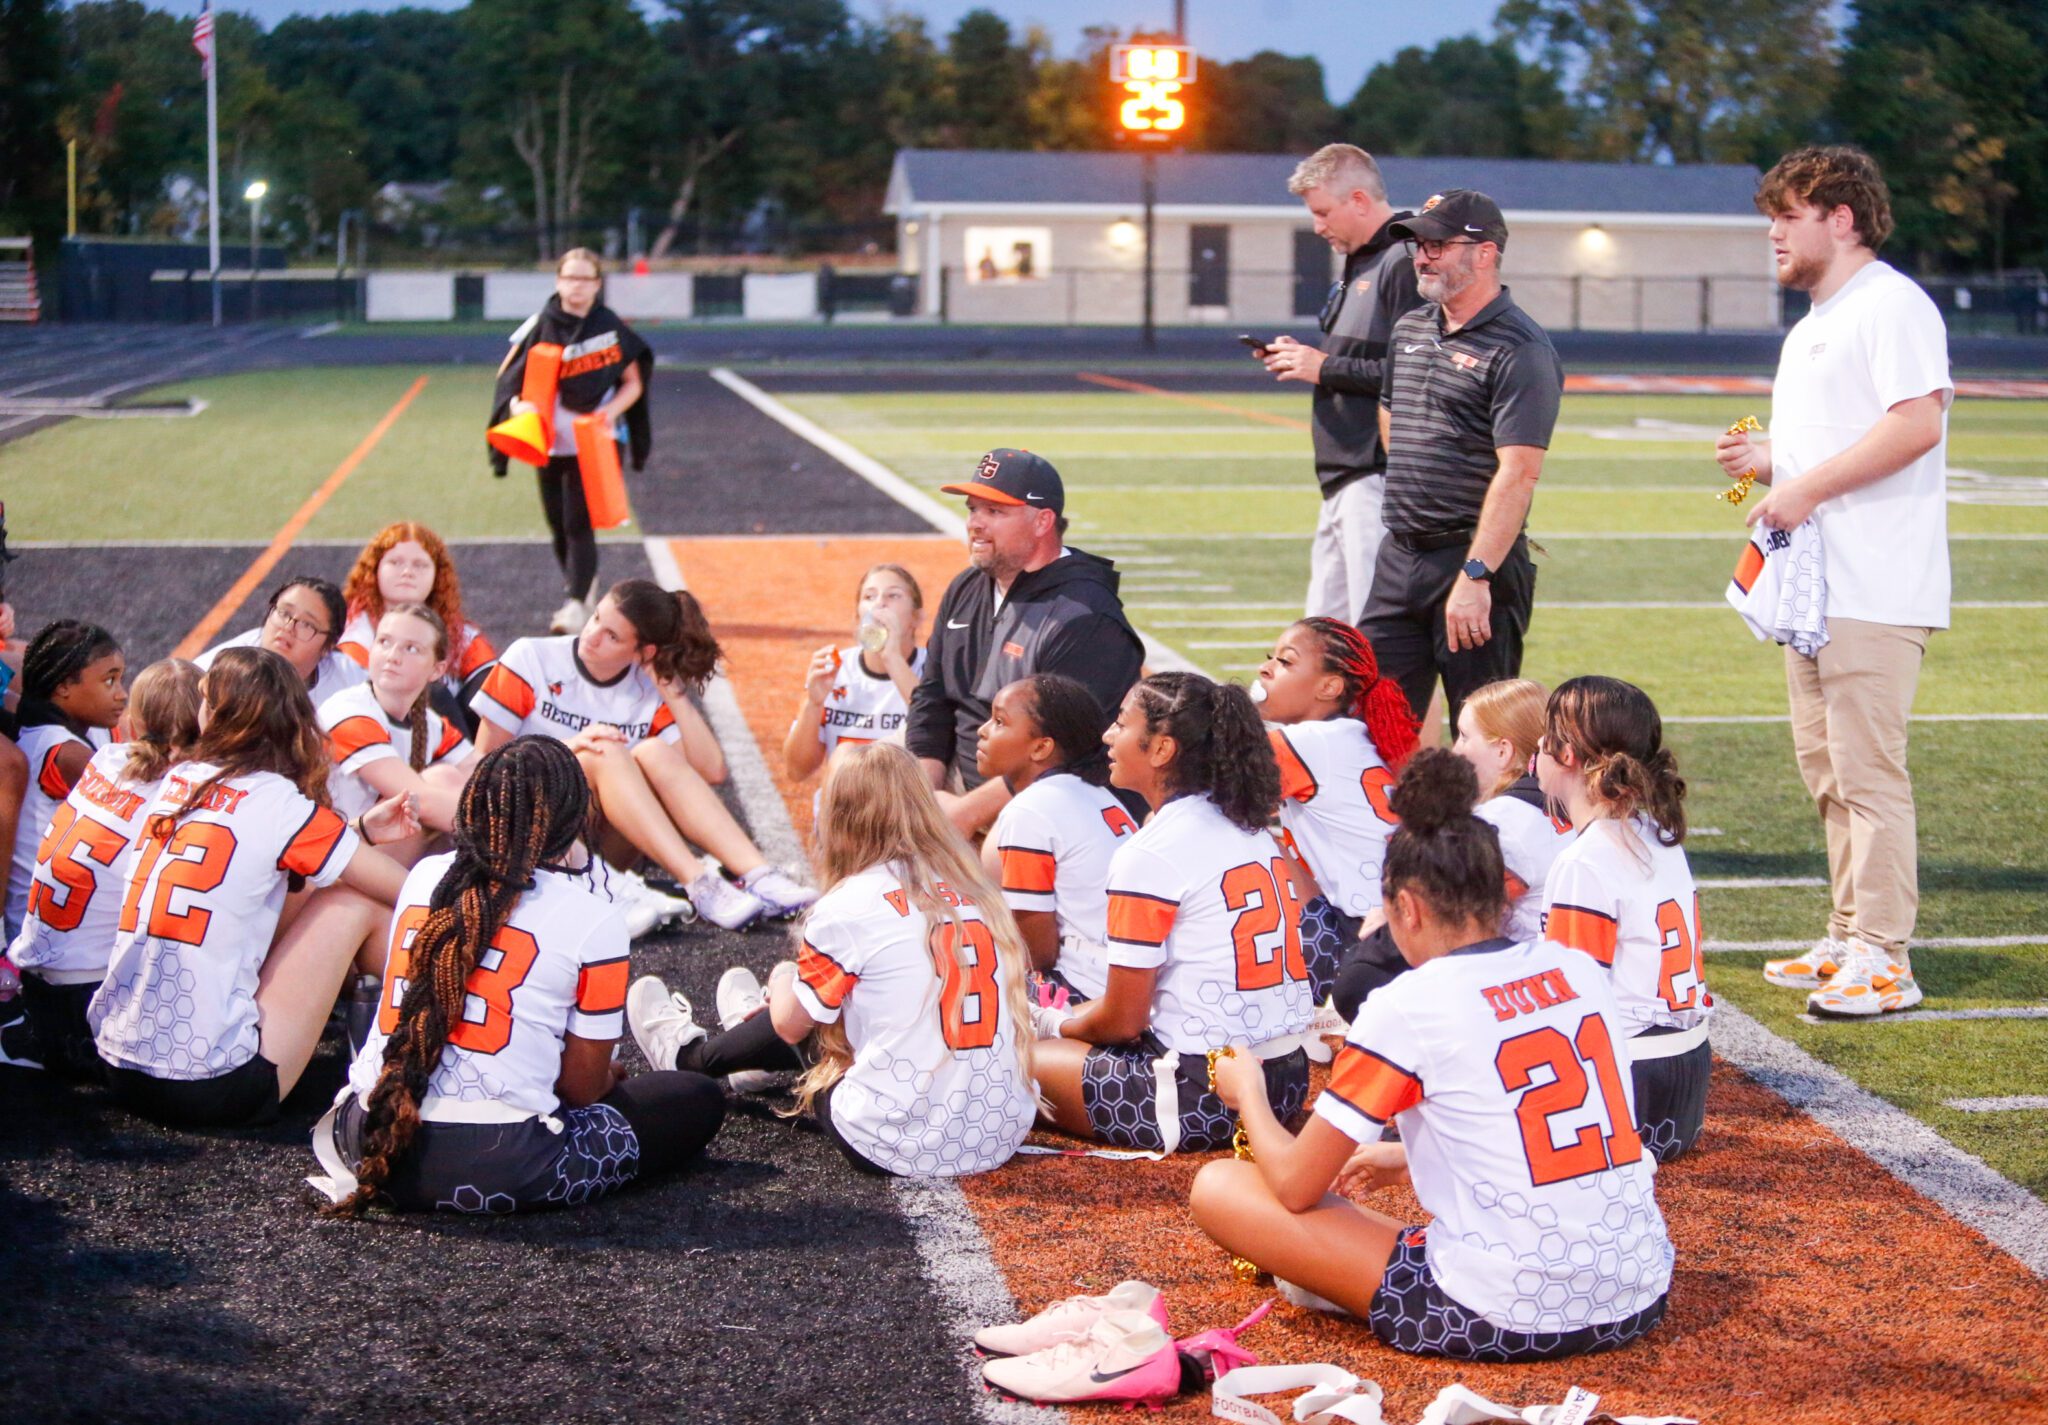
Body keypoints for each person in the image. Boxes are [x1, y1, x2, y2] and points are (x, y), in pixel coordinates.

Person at [1189, 747, 1672, 1360]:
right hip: (1638, 1288)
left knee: (1219, 1186)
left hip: (1501, 1316)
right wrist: (1405, 1158)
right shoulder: (1577, 968)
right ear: (1501, 894)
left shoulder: (1407, 1005)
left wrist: (1248, 1094)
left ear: (1406, 908)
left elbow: (1292, 1187)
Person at [1715, 146, 1951, 1017]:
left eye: (1789, 213)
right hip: (1817, 589)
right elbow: (1844, 435)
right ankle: (1850, 933)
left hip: (1873, 582)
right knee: (1828, 772)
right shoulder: (1820, 318)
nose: (1773, 231)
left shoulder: (1890, 304)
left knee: (1869, 774)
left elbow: (1917, 422)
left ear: (1840, 218)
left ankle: (1886, 958)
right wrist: (1772, 460)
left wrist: (1802, 487)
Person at [312, 736, 726, 1215]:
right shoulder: (594, 917)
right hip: (499, 1163)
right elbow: (580, 1090)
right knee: (693, 1097)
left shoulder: (425, 876)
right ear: (571, 821)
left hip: (369, 1135)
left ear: (472, 805)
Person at [625, 743, 1037, 1178]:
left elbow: (788, 1026)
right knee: (850, 998)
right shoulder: (974, 889)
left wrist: (785, 981)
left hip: (897, 1142)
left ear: (841, 816)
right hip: (1001, 1132)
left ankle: (693, 1058)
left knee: (804, 1005)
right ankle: (749, 1055)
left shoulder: (850, 904)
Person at [88, 648, 420, 1128]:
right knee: (352, 904)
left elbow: (261, 846)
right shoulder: (280, 803)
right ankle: (456, 1034)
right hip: (208, 1087)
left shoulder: (178, 779)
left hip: (118, 1064)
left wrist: (358, 831)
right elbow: (408, 892)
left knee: (299, 889)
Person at [1030, 673, 1314, 1154]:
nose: (1107, 736)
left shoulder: (1153, 851)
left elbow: (1124, 1021)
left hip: (1202, 1094)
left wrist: (1049, 1023)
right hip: (1286, 1079)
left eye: (1120, 724)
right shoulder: (1248, 829)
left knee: (1002, 1060)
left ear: (1161, 749)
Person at [471, 578, 815, 931]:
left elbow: (709, 770)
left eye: (613, 637)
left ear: (642, 653)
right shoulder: (531, 657)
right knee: (605, 750)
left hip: (606, 844)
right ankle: (698, 881)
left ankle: (758, 875)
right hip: (532, 833)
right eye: (596, 620)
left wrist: (668, 685)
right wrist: (570, 749)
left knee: (654, 752)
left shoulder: (645, 687)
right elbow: (483, 764)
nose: (592, 636)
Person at [1360, 190, 1563, 729]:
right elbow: (1390, 409)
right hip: (1399, 554)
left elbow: (1519, 471)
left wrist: (1477, 576)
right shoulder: (1410, 329)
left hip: (1472, 561)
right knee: (1373, 725)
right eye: (1418, 246)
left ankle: (1489, 819)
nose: (1422, 258)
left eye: (1437, 245)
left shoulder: (1521, 347)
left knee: (1483, 736)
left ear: (1484, 253)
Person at [907, 449, 1144, 837]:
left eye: (995, 512)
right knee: (857, 773)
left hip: (1049, 807)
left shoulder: (1084, 616)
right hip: (963, 779)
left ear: (1042, 522)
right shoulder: (966, 588)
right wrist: (925, 791)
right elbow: (932, 697)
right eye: (973, 510)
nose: (975, 525)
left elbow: (1068, 756)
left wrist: (964, 813)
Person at [1536, 676, 1710, 1163]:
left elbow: (1571, 1000)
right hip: (1687, 1081)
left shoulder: (1585, 859)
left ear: (1566, 754)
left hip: (1630, 1090)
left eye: (1543, 739)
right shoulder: (1655, 831)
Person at [7, 660, 202, 1077]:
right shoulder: (181, 797)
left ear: (132, 722)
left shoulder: (106, 759)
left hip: (38, 993)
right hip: (93, 1008)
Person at [1263, 144, 1424, 624]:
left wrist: (1324, 367)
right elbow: (1362, 359)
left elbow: (1416, 375)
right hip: (1344, 475)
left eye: (1322, 212)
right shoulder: (1362, 260)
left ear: (1358, 199)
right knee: (1325, 638)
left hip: (1375, 475)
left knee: (1378, 637)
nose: (1317, 226)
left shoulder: (1402, 261)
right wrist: (1304, 358)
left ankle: (1403, 707)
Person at [1254, 617, 1419, 1006]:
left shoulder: (1308, 741)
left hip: (1370, 933)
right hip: (1404, 917)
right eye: (1269, 658)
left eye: (1286, 662)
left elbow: (1205, 788)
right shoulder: (1351, 734)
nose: (1265, 669)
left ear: (1329, 686)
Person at [490, 247, 654, 635]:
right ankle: (579, 588)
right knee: (557, 522)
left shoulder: (609, 327)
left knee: (579, 521)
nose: (576, 285)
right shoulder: (540, 324)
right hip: (549, 440)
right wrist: (518, 406)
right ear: (558, 281)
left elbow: (634, 382)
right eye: (569, 277)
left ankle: (577, 604)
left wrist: (609, 413)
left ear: (597, 284)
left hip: (594, 440)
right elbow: (507, 373)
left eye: (584, 278)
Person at [976, 674, 1138, 1002]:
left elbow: (1036, 954)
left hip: (1089, 984)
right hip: (1125, 974)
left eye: (999, 721)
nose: (982, 730)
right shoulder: (1096, 793)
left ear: (1041, 747)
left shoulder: (1031, 810)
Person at [318, 604, 475, 854]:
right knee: (432, 789)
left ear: (437, 669)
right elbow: (422, 801)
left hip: (363, 854)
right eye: (384, 642)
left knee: (447, 777)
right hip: (324, 867)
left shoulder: (428, 723)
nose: (392, 655)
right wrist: (514, 828)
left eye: (411, 648)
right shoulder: (348, 711)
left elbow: (484, 770)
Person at [7, 622, 127, 945]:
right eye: (109, 681)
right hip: (42, 932)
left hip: (64, 914)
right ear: (63, 688)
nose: (122, 693)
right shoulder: (63, 753)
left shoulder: (94, 727)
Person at [334, 522, 498, 728]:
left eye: (420, 565)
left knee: (491, 694)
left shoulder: (462, 634)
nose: (407, 572)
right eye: (395, 562)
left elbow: (495, 692)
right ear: (375, 570)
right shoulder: (354, 634)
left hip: (449, 735)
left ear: (437, 575)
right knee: (428, 691)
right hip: (376, 732)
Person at [782, 563, 926, 786]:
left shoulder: (934, 669)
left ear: (916, 617)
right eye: (869, 596)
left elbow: (934, 734)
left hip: (904, 813)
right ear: (857, 618)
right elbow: (797, 770)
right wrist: (813, 704)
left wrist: (892, 658)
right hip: (843, 813)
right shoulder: (835, 669)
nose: (880, 603)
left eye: (893, 595)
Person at [1454, 677, 1573, 943]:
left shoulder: (1501, 822)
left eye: (1464, 737)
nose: (1455, 749)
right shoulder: (1577, 801)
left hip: (1532, 974)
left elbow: (1451, 924)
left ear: (1502, 751)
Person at [197, 575, 367, 699]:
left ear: (328, 646)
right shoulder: (221, 667)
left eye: (307, 624)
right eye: (284, 613)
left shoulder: (351, 681)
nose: (288, 627)